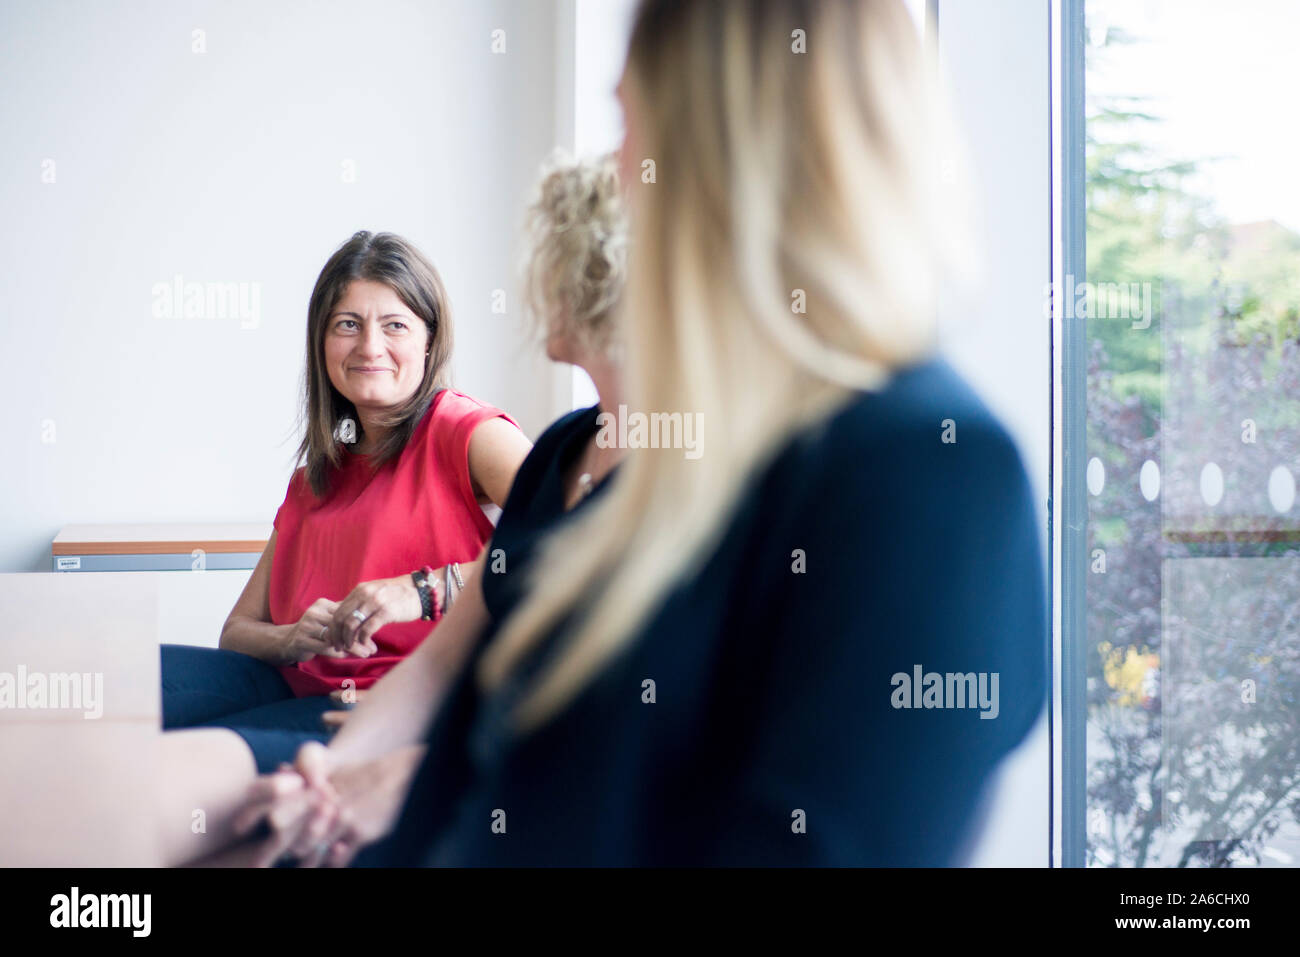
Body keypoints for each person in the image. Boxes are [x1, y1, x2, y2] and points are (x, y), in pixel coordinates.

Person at [240, 0, 1047, 867]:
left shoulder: (925, 474)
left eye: (632, 127)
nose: (617, 180)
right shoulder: (655, 451)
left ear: (732, 154)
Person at [157, 230, 533, 780]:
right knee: (108, 686)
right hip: (290, 680)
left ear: (429, 342)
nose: (369, 347)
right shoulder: (315, 476)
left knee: (169, 762)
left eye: (395, 325)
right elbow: (237, 632)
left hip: (390, 702)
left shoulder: (464, 430)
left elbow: (571, 539)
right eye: (347, 325)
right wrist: (291, 639)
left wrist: (424, 591)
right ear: (323, 343)